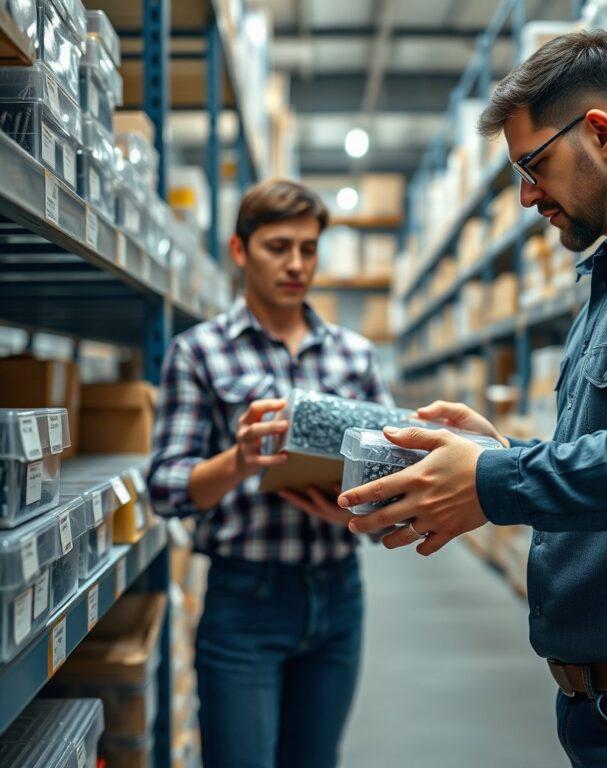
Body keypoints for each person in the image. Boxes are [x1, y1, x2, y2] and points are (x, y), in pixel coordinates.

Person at [340, 29, 607, 765]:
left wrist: (493, 481)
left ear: (600, 131)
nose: (527, 195)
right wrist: (496, 452)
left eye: (534, 165)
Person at [148, 179, 393, 768]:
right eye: (278, 247)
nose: (296, 264)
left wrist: (357, 505)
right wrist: (237, 462)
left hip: (338, 595)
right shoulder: (198, 352)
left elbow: (395, 477)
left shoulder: (355, 355)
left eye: (308, 249)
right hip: (245, 601)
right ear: (240, 250)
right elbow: (166, 487)